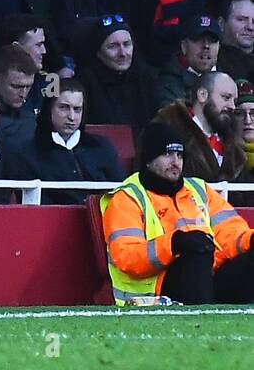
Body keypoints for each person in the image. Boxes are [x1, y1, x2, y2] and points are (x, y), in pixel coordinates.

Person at [101, 121, 254, 305]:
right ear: (148, 160)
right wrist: (175, 243)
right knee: (196, 251)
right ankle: (200, 316)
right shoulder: (128, 197)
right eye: (167, 154)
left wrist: (250, 240)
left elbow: (231, 232)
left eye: (179, 155)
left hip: (208, 276)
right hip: (156, 291)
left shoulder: (199, 189)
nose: (176, 162)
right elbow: (127, 256)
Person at [13, 77, 123, 204]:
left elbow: (120, 192)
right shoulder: (28, 153)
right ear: (49, 109)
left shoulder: (102, 147)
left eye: (77, 109)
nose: (71, 117)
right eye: (64, 108)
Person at [154, 70, 250, 185]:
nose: (232, 106)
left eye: (234, 101)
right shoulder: (166, 128)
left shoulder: (234, 148)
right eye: (226, 97)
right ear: (202, 95)